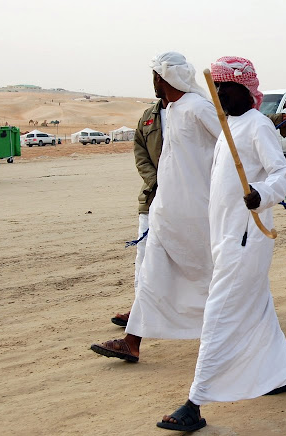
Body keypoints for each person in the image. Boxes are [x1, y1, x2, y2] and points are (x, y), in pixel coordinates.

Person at [157, 56, 286, 432]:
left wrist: (262, 194)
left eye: (226, 88)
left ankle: (195, 402)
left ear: (245, 90)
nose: (219, 94)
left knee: (219, 315)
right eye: (217, 88)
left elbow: (281, 174)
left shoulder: (257, 126)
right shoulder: (228, 126)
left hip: (248, 237)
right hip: (225, 236)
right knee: (257, 308)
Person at [90, 51, 221, 362]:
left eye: (155, 75)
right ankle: (131, 342)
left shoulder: (198, 108)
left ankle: (234, 336)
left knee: (211, 276)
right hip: (164, 211)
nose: (153, 81)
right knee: (151, 272)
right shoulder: (170, 110)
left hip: (196, 212)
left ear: (164, 78)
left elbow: (232, 143)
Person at [111, 77, 168, 328]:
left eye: (160, 77)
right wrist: (156, 181)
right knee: (144, 257)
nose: (155, 82)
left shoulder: (193, 111)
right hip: (152, 197)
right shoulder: (148, 117)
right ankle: (139, 310)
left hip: (189, 199)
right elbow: (140, 153)